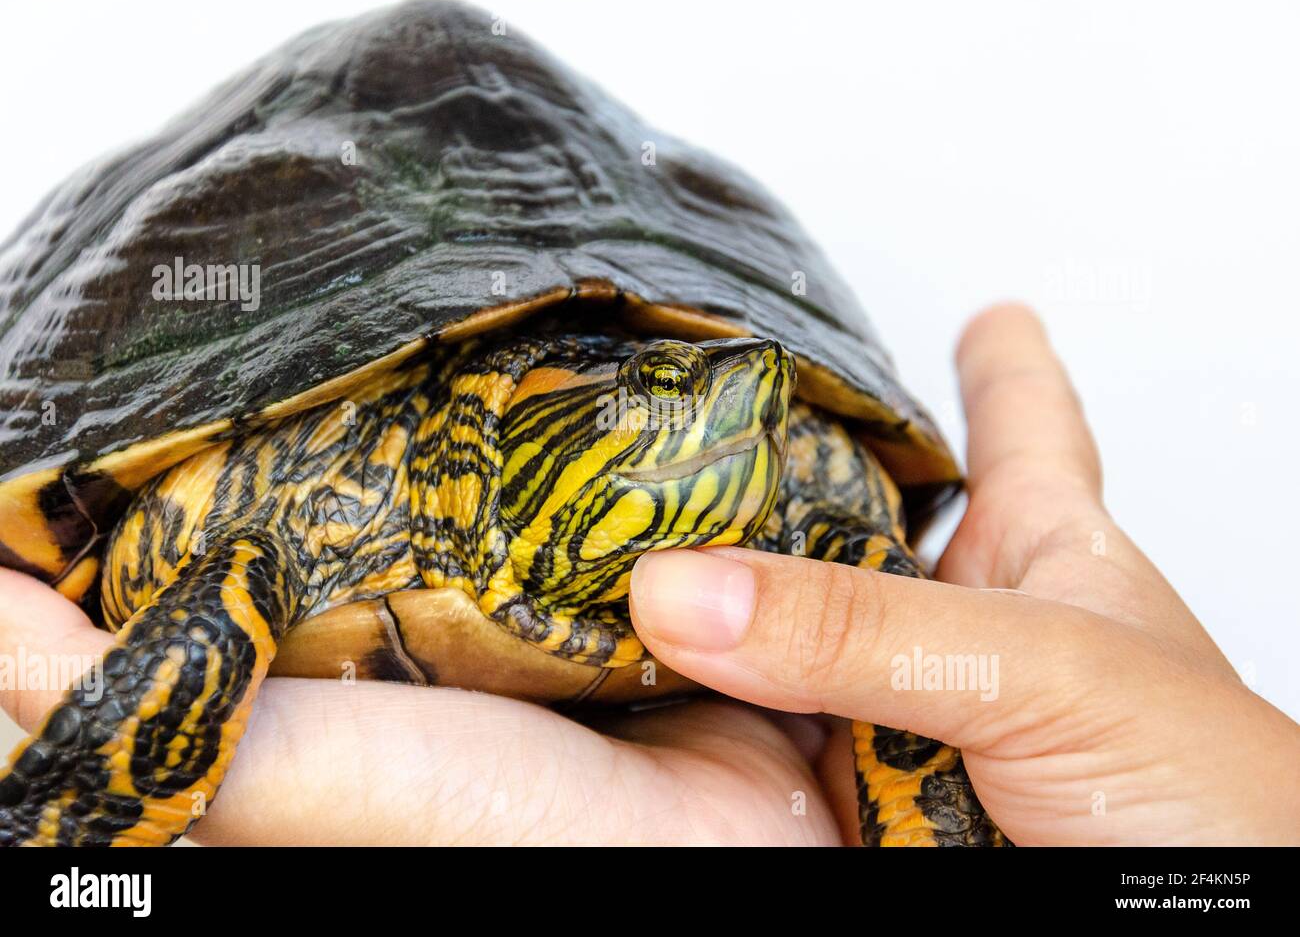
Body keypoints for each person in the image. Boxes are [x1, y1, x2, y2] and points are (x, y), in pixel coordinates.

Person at [1, 304, 1295, 845]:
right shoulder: (321, 479)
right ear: (523, 420)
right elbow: (191, 553)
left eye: (758, 395)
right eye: (668, 393)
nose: (747, 406)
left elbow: (912, 623)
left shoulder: (793, 492)